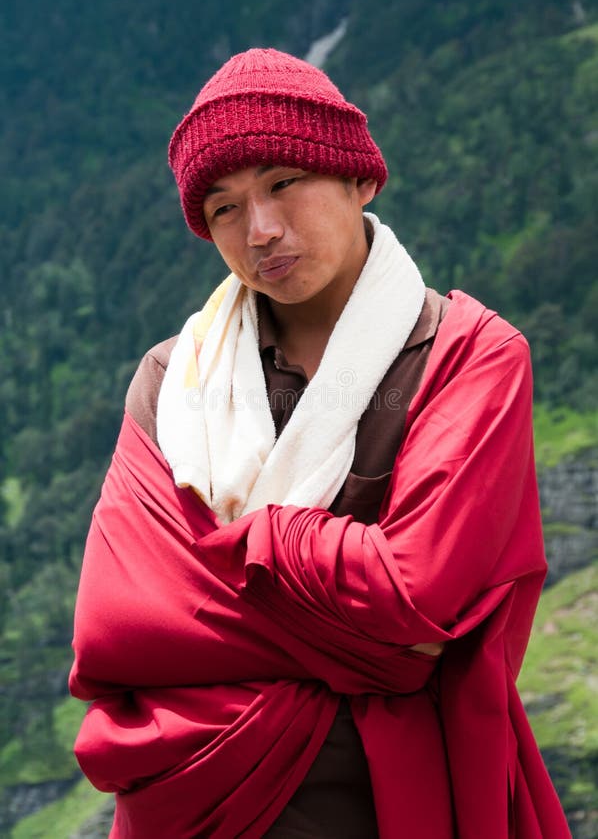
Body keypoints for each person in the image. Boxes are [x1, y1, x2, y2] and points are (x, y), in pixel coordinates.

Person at [69, 48, 570, 838]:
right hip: (201, 801)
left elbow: (415, 606)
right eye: (224, 208)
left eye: (282, 183)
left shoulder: (471, 356)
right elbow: (119, 624)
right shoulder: (174, 382)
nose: (261, 230)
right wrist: (345, 602)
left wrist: (243, 551)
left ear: (359, 179)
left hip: (397, 802)